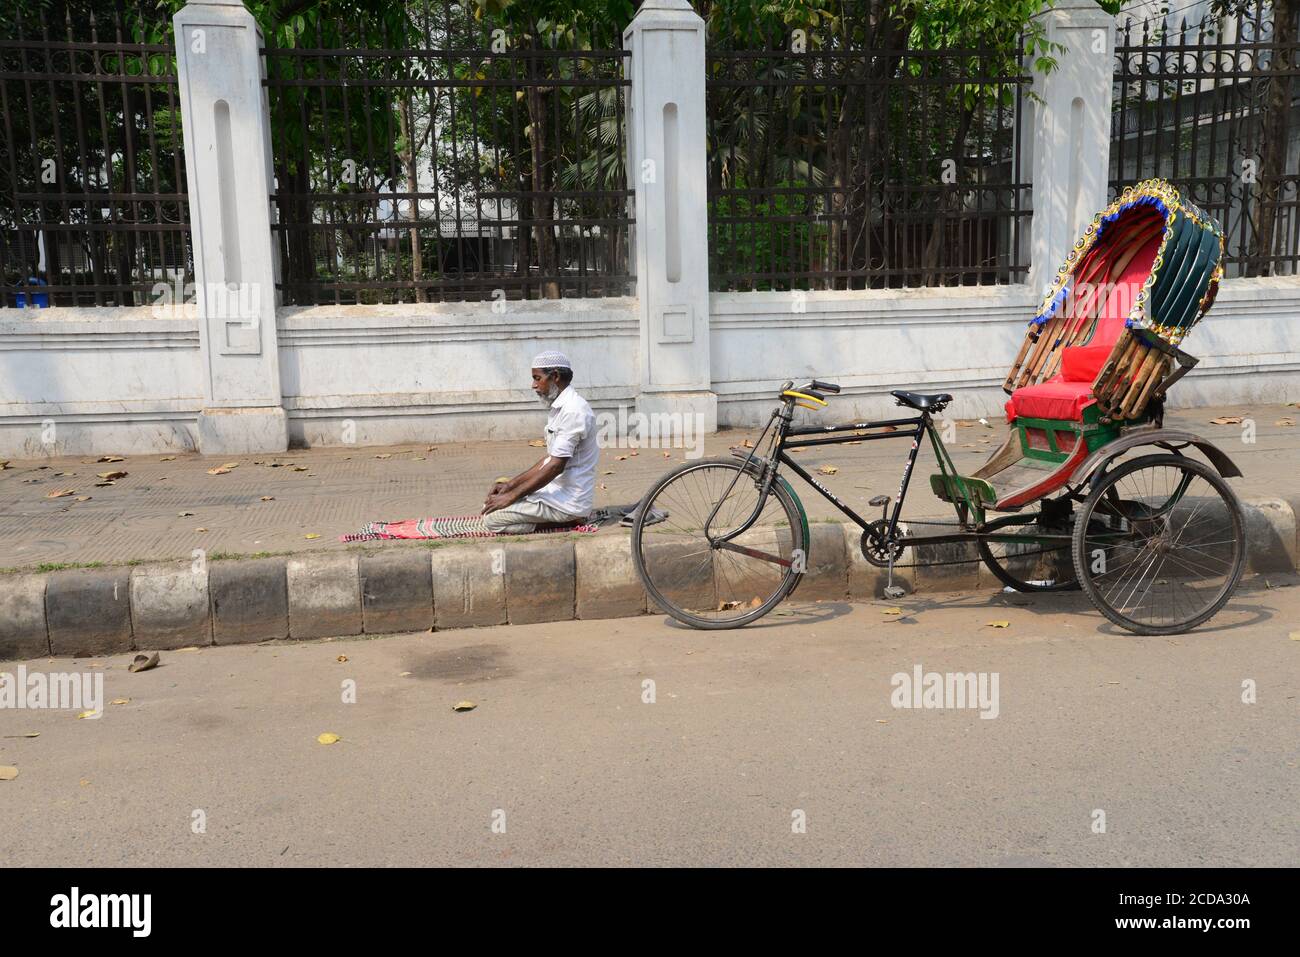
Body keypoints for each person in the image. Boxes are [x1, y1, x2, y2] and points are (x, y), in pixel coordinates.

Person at [482, 351, 598, 533]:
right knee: (491, 504)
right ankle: (562, 516)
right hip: (556, 493)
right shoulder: (562, 408)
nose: (534, 385)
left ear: (555, 376)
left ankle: (570, 521)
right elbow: (550, 459)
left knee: (492, 521)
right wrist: (511, 486)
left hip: (568, 503)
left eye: (537, 378)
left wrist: (512, 496)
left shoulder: (574, 411)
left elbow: (555, 467)